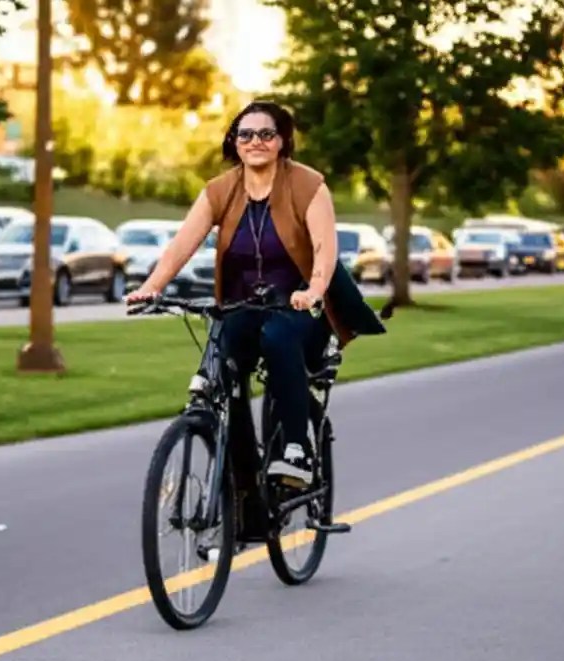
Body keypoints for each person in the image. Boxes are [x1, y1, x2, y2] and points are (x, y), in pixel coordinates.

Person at [125, 100, 385, 488]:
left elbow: (324, 249)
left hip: (300, 309)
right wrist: (153, 287)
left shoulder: (308, 185)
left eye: (266, 134)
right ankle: (242, 482)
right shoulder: (220, 191)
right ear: (235, 141)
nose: (255, 141)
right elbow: (182, 245)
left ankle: (296, 448)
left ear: (282, 141)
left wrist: (314, 289)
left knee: (278, 337)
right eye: (245, 134)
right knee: (224, 354)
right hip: (243, 306)